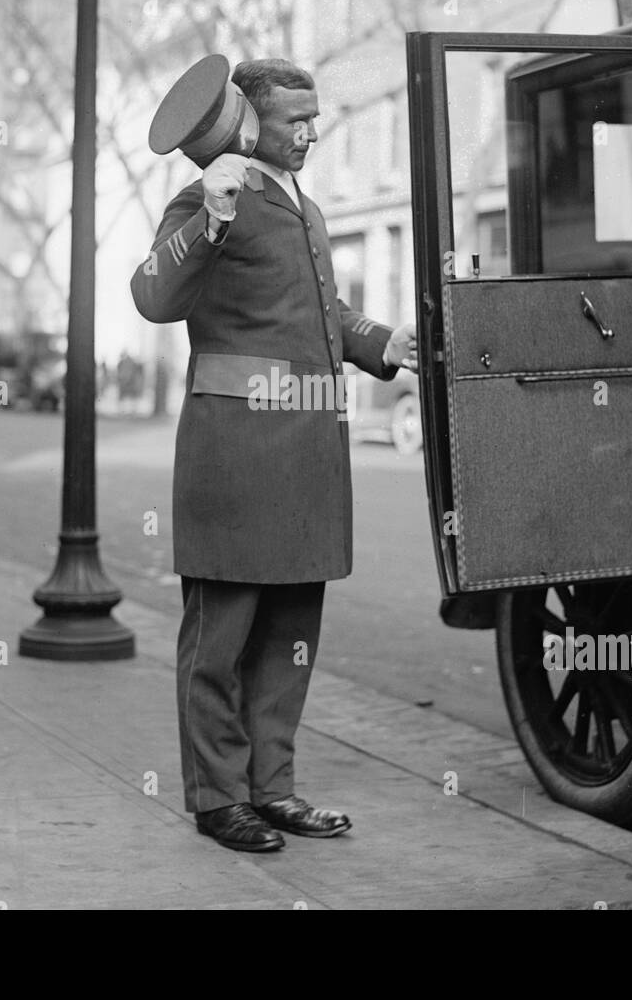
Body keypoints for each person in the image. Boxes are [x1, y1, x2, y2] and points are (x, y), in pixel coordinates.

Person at [131, 58, 417, 852]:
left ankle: (272, 788)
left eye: (315, 115)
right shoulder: (206, 197)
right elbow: (152, 296)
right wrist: (211, 219)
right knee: (219, 642)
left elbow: (322, 311)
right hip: (237, 457)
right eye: (298, 119)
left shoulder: (307, 206)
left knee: (290, 637)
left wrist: (381, 342)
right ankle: (219, 797)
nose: (313, 130)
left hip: (307, 456)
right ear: (255, 122)